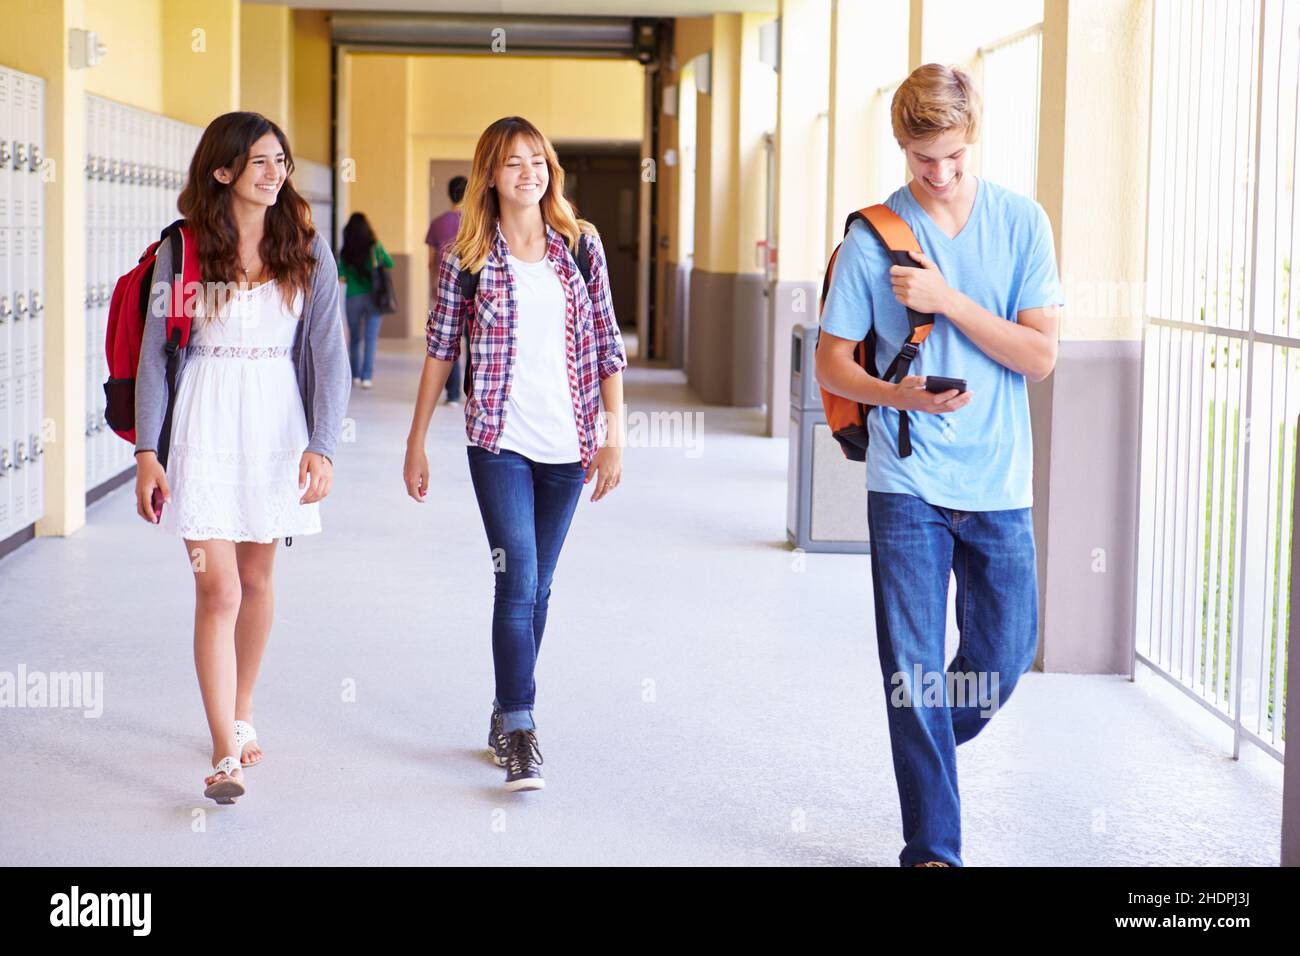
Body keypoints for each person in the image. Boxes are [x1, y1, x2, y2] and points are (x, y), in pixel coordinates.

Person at [816, 64, 1063, 866]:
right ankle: (933, 848)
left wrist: (949, 299)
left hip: (998, 482)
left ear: (972, 140)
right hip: (906, 479)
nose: (942, 174)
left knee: (1002, 655)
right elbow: (830, 367)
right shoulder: (871, 236)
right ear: (902, 146)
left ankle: (922, 743)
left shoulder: (1023, 224)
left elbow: (1039, 356)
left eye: (954, 156)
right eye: (925, 158)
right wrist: (905, 399)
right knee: (914, 668)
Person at [133, 111, 351, 805]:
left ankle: (242, 706)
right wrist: (146, 450)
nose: (274, 172)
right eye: (260, 161)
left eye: (280, 160)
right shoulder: (184, 250)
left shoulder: (307, 248)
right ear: (223, 170)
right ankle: (225, 750)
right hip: (204, 416)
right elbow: (154, 361)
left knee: (256, 579)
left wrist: (322, 443)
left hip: (274, 421)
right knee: (216, 587)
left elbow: (329, 354)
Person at [403, 116, 627, 792]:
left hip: (570, 444)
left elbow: (609, 344)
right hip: (497, 440)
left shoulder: (580, 247)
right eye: (513, 163)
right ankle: (523, 730)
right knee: (516, 578)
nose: (528, 172)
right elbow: (441, 349)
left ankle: (505, 708)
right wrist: (416, 439)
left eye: (538, 160)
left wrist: (615, 437)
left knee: (542, 586)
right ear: (490, 175)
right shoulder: (466, 257)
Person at [338, 212, 394, 389]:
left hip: (353, 298)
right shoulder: (375, 247)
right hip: (374, 298)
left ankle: (354, 376)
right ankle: (367, 377)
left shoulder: (346, 250)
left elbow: (341, 277)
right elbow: (390, 263)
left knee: (355, 338)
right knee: (370, 338)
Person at [426, 175, 468, 405]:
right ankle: (473, 392)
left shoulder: (437, 223)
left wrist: (435, 283)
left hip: (446, 290)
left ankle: (452, 395)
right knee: (475, 342)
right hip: (475, 290)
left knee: (449, 340)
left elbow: (431, 261)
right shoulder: (477, 222)